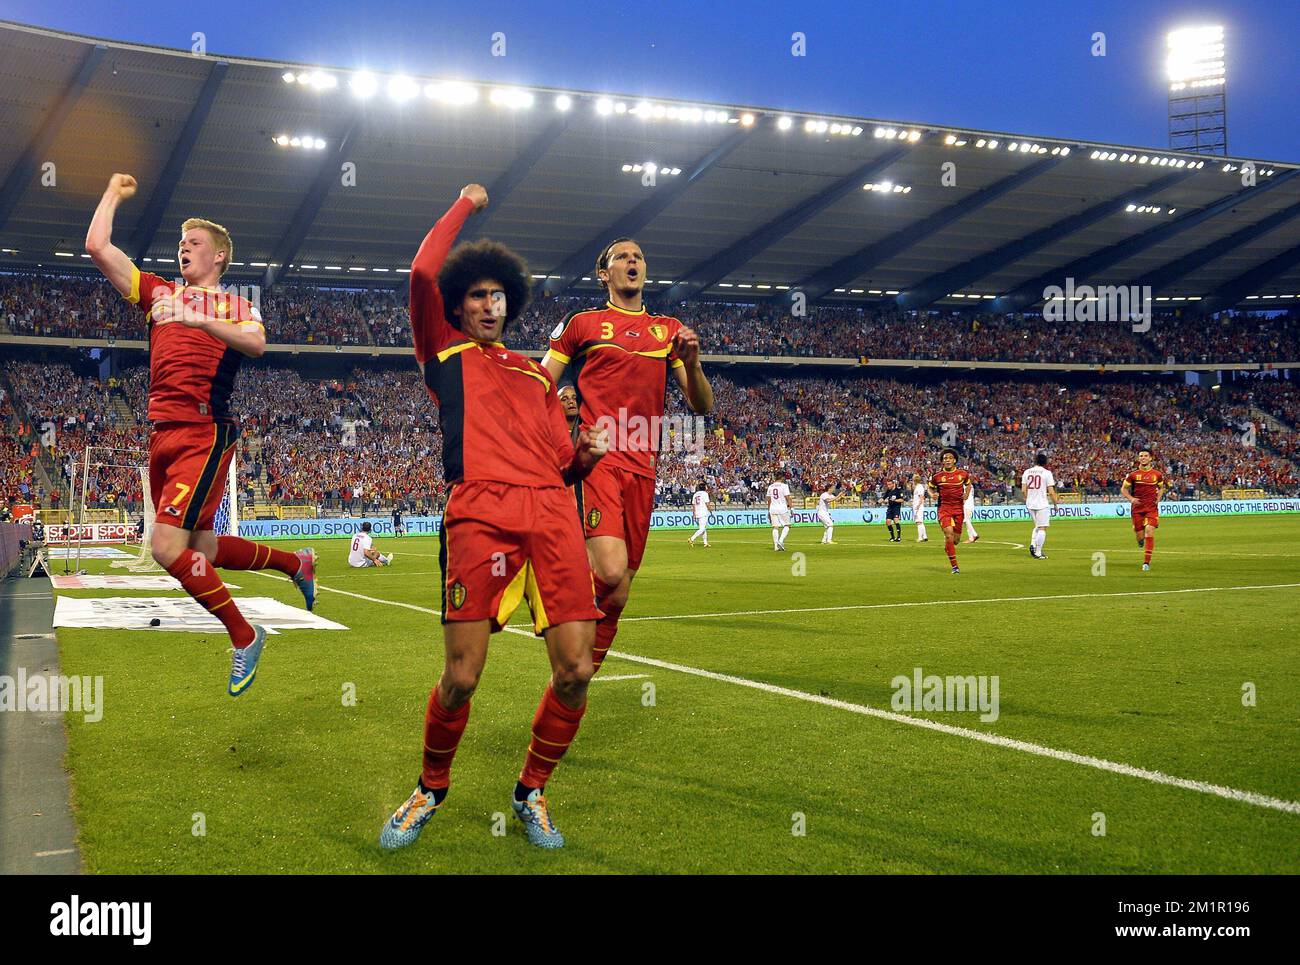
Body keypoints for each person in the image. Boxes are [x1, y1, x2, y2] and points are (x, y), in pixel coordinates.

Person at [380, 184, 609, 852]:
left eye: (497, 295)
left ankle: (531, 789)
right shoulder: (441, 351)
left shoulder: (540, 378)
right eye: (477, 295)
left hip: (552, 515)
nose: (488, 304)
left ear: (511, 302)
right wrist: (462, 204)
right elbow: (423, 269)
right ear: (459, 305)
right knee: (461, 677)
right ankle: (430, 785)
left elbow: (561, 462)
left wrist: (585, 456)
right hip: (480, 514)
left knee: (576, 670)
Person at [84, 172, 317, 698]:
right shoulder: (158, 294)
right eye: (182, 244)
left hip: (204, 433)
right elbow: (97, 246)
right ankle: (294, 562)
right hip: (160, 436)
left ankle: (244, 635)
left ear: (218, 259)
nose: (184, 250)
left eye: (194, 245)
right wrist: (113, 193)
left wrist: (195, 316)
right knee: (203, 548)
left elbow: (256, 344)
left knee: (167, 548)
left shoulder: (233, 304)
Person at [541, 237, 712, 673]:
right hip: (600, 459)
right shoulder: (583, 324)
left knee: (620, 589)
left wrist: (692, 364)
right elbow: (542, 380)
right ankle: (557, 593)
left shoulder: (668, 331)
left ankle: (584, 669)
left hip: (645, 466)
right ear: (605, 273)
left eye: (638, 256)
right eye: (622, 257)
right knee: (612, 571)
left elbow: (702, 406)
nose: (632, 261)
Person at [1121, 447, 1167, 571]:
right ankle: (1140, 539)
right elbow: (1123, 489)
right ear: (1138, 458)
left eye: (1145, 456)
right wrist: (1131, 499)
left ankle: (1146, 563)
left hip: (1151, 508)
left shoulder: (1157, 474)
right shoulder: (1133, 475)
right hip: (1137, 508)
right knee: (1139, 534)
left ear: (1150, 458)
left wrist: (1158, 498)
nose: (1143, 458)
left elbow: (1162, 487)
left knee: (1149, 530)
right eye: (1141, 456)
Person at [927, 448, 971, 574]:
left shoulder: (962, 474)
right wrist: (932, 495)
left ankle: (949, 547)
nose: (947, 460)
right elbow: (929, 488)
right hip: (944, 509)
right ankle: (955, 567)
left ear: (955, 460)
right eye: (945, 458)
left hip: (958, 509)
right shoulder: (937, 476)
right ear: (942, 461)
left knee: (955, 540)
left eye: (950, 458)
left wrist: (966, 494)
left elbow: (969, 484)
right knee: (948, 534)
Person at [1021, 451, 1059, 559]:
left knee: (1037, 526)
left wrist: (1028, 499)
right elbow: (1051, 492)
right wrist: (1055, 504)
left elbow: (1023, 490)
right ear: (1045, 462)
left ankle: (1033, 544)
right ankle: (1038, 552)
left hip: (1030, 503)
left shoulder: (1027, 472)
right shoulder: (1047, 473)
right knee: (1042, 528)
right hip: (1041, 504)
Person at [767, 473, 792, 551]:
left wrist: (768, 510)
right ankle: (780, 541)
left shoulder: (770, 486)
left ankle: (775, 546)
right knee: (787, 525)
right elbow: (787, 497)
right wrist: (791, 508)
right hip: (782, 508)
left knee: (775, 527)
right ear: (782, 478)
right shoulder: (784, 486)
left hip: (772, 508)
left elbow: (769, 499)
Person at [689, 481, 711, 547]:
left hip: (697, 512)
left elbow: (693, 505)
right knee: (702, 529)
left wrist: (694, 514)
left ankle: (705, 542)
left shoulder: (695, 494)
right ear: (704, 487)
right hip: (703, 512)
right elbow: (707, 503)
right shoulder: (705, 494)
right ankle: (691, 538)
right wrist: (710, 510)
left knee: (703, 528)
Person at [910, 473, 929, 542]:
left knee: (919, 522)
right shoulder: (918, 487)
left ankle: (920, 537)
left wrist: (918, 505)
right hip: (917, 506)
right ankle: (925, 536)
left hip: (918, 507)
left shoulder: (919, 487)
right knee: (921, 522)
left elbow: (921, 497)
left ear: (914, 480)